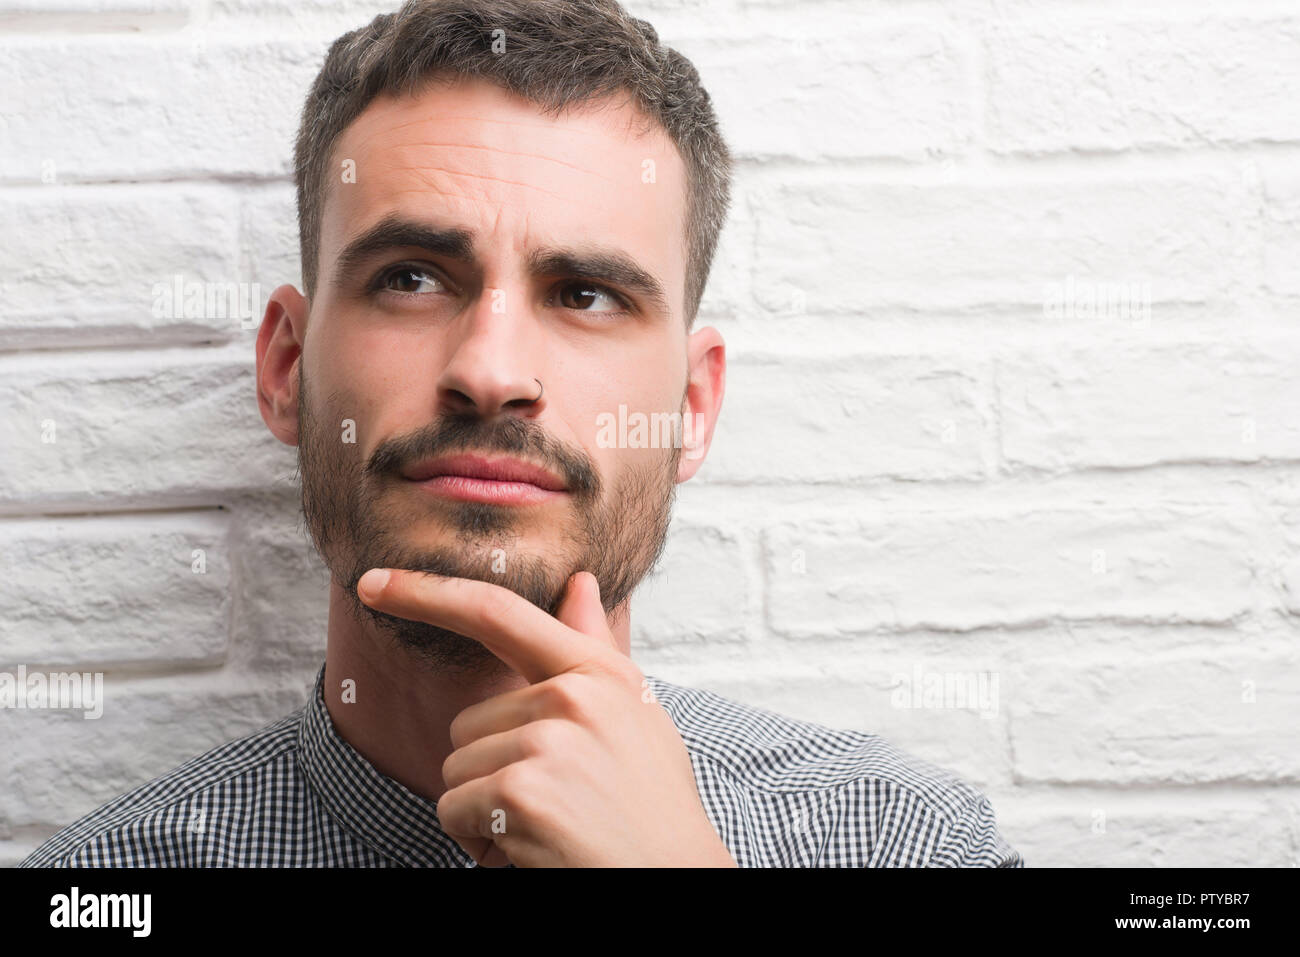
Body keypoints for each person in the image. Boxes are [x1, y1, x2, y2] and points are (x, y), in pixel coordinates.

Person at [21, 0, 1022, 868]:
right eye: (410, 278)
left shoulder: (907, 843)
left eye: (585, 294)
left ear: (692, 408)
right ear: (286, 368)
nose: (492, 372)